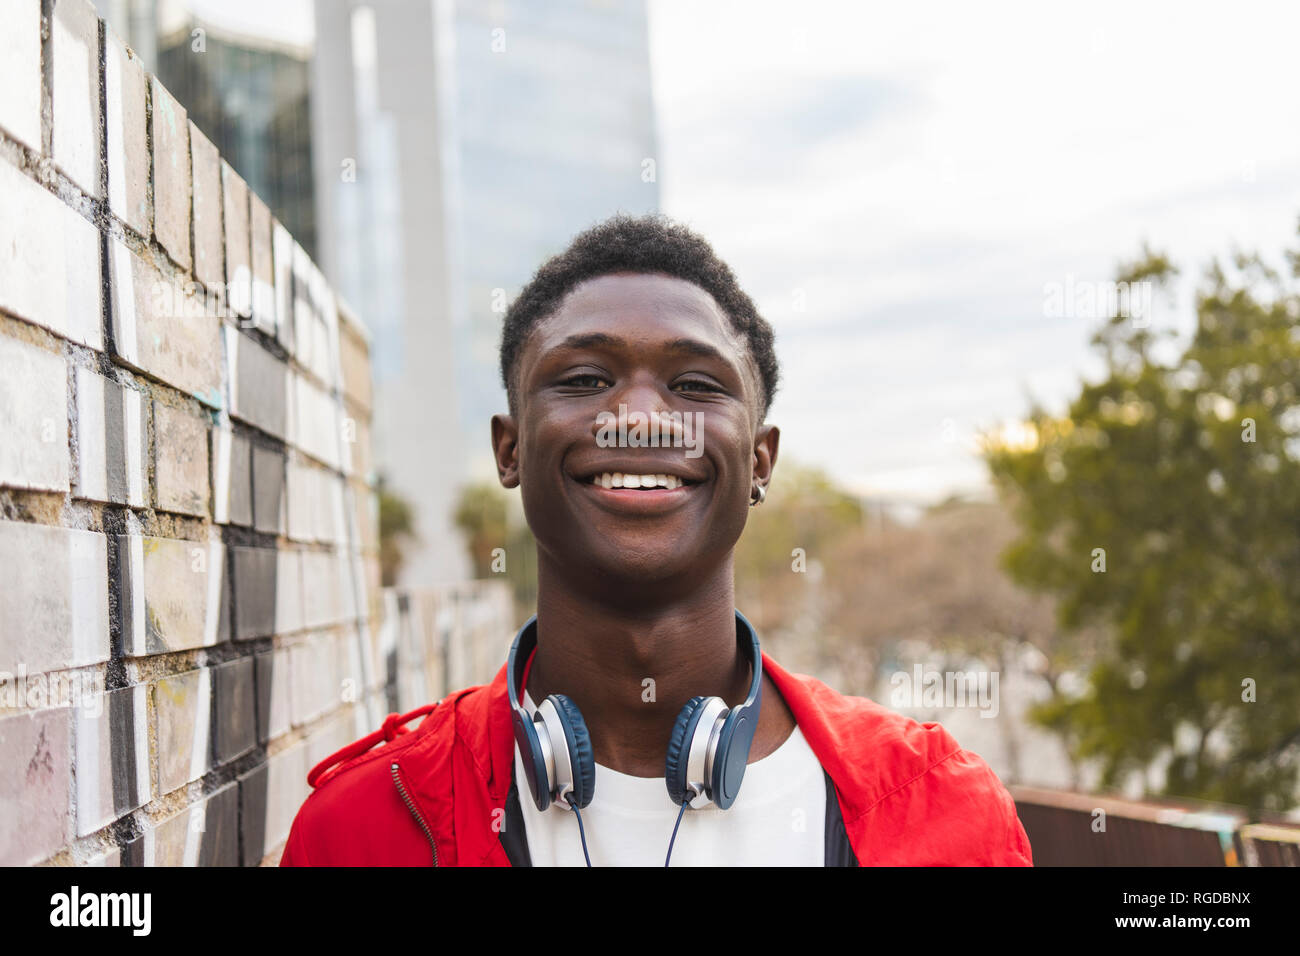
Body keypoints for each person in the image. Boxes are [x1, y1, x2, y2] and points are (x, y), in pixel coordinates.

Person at [280, 214, 1033, 867]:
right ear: (509, 451)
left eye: (696, 386)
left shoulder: (948, 812)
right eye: (582, 378)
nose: (641, 416)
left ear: (760, 460)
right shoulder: (362, 829)